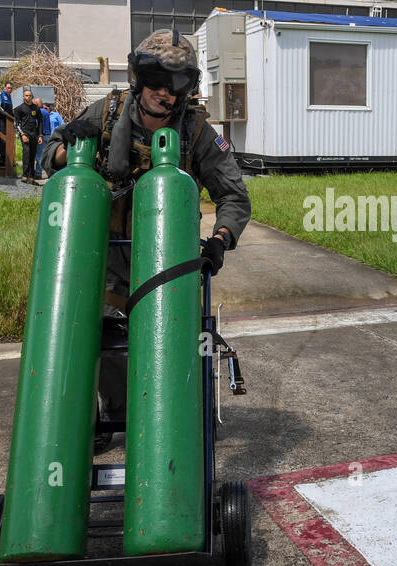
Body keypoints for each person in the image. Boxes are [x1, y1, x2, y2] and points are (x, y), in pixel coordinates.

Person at [40, 29, 251, 428]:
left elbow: (234, 197)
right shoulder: (105, 113)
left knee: (174, 345)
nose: (164, 91)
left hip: (171, 264)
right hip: (108, 257)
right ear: (138, 77)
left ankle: (179, 419)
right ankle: (116, 413)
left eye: (176, 82)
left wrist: (220, 241)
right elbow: (47, 155)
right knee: (100, 343)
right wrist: (71, 149)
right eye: (155, 78)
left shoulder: (198, 133)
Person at [13, 88, 42, 183]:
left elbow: (40, 122)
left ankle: (31, 176)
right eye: (26, 95)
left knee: (33, 155)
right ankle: (25, 174)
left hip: (34, 134)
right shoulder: (19, 108)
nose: (28, 97)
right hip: (25, 134)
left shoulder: (36, 108)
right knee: (26, 153)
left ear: (32, 96)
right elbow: (16, 124)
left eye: (30, 95)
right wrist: (22, 134)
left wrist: (40, 135)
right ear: (23, 97)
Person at [0, 81, 16, 169]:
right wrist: (7, 115)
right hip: (0, 121)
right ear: (4, 87)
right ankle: (2, 161)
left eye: (11, 88)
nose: (10, 90)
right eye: (8, 88)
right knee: (2, 141)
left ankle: (7, 160)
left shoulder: (10, 97)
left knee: (8, 141)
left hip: (9, 123)